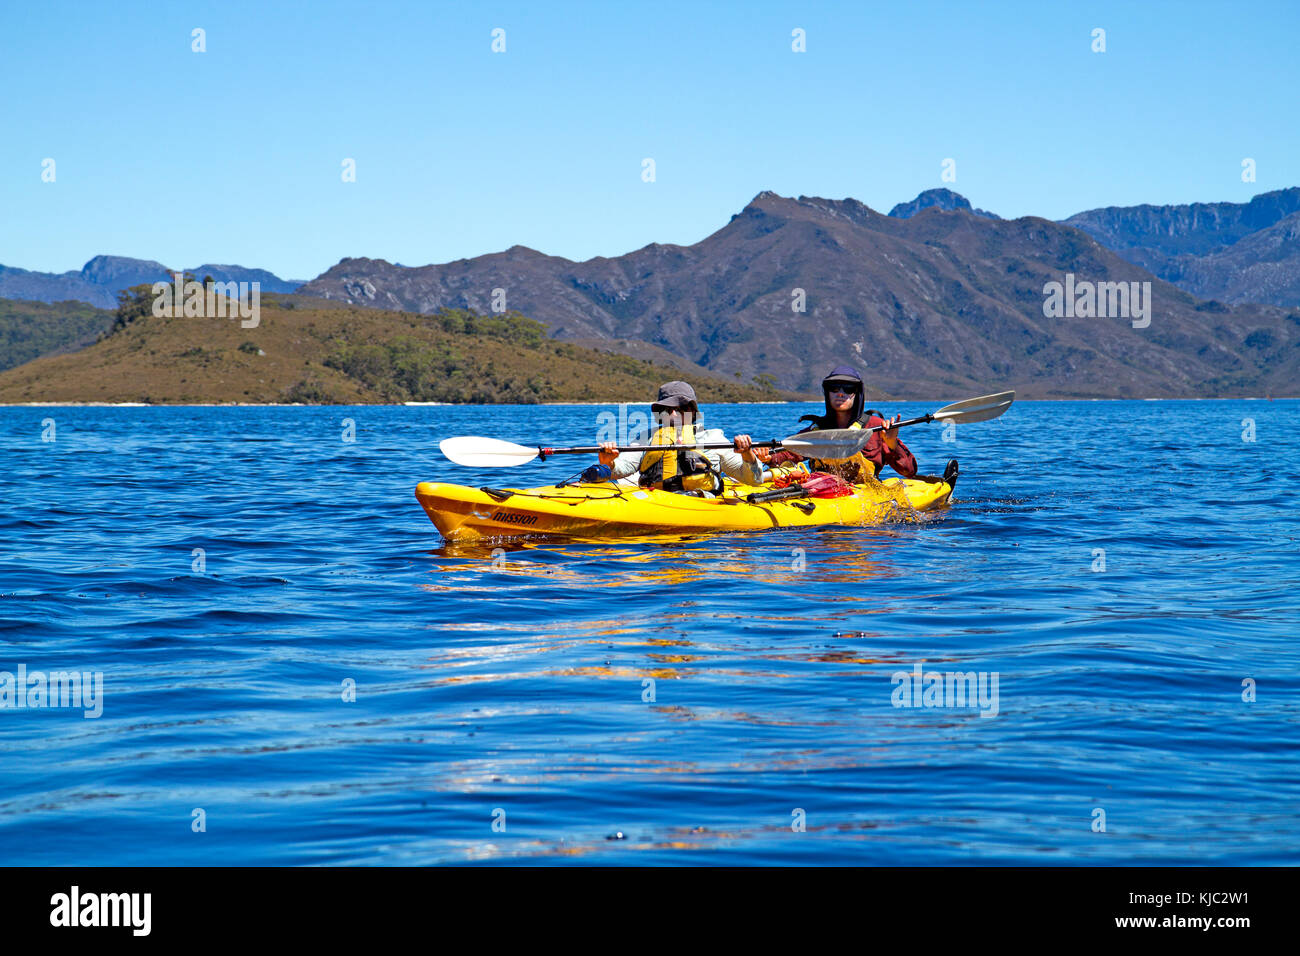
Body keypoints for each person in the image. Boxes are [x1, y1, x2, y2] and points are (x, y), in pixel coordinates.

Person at [767, 365, 954, 486]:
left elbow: (909, 471)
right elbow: (785, 455)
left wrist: (891, 443)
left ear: (857, 394)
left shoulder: (877, 427)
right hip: (823, 492)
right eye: (834, 388)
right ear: (827, 393)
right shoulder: (816, 430)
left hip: (864, 496)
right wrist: (759, 455)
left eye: (848, 389)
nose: (840, 393)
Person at [595, 381, 767, 493]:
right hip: (657, 502)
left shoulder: (712, 437)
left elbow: (754, 479)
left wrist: (747, 455)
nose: (673, 415)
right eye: (666, 410)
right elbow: (622, 468)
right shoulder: (646, 438)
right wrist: (609, 462)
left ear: (692, 410)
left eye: (680, 409)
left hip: (702, 503)